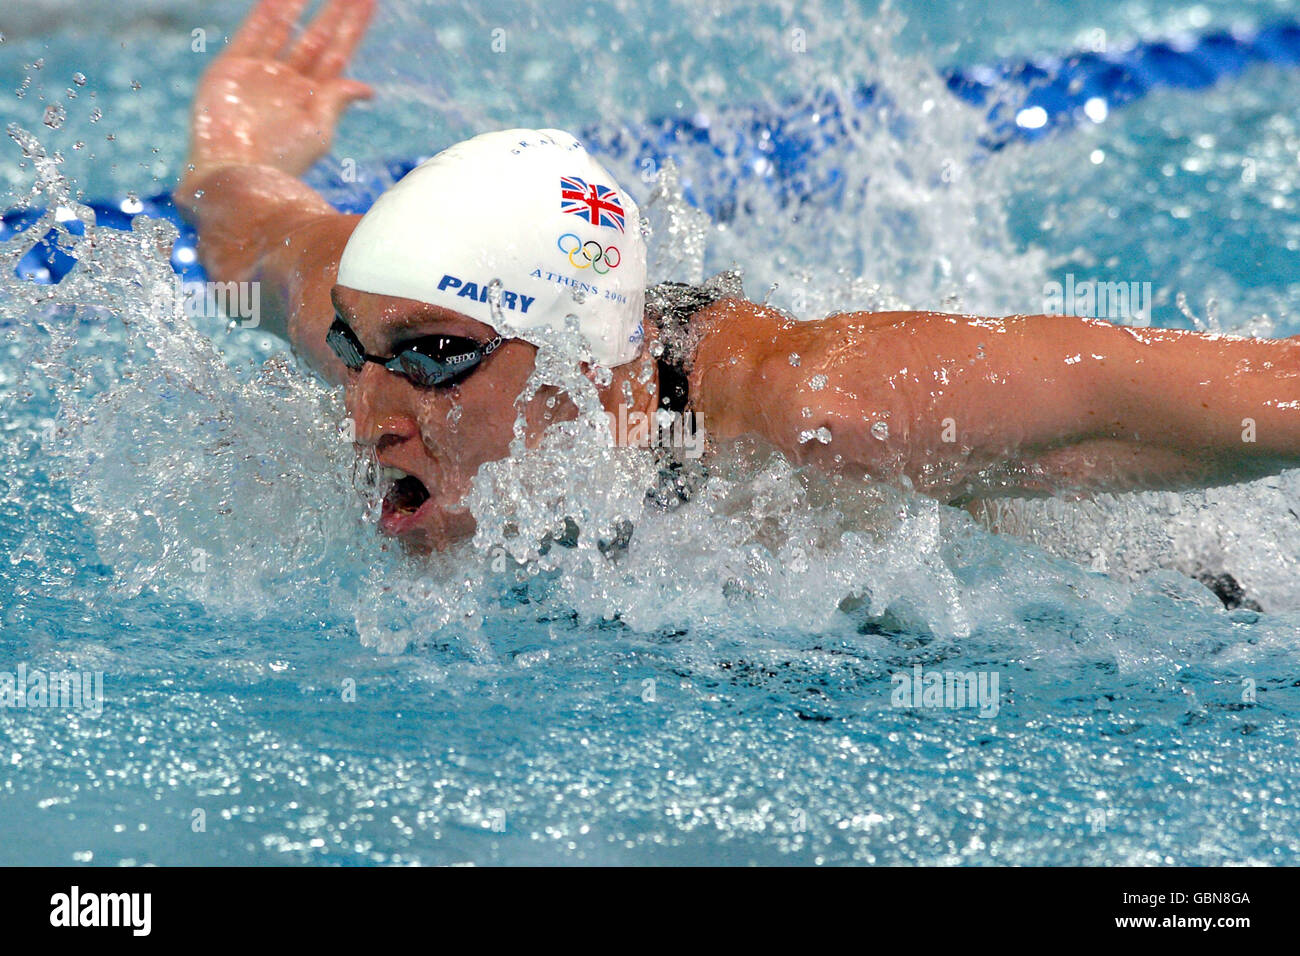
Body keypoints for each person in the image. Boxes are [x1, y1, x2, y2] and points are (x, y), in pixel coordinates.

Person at [175, 0, 1300, 555]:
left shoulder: (819, 411)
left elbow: (1244, 392)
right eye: (354, 348)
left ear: (580, 354)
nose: (369, 415)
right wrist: (236, 149)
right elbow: (257, 231)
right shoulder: (379, 318)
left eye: (430, 359)